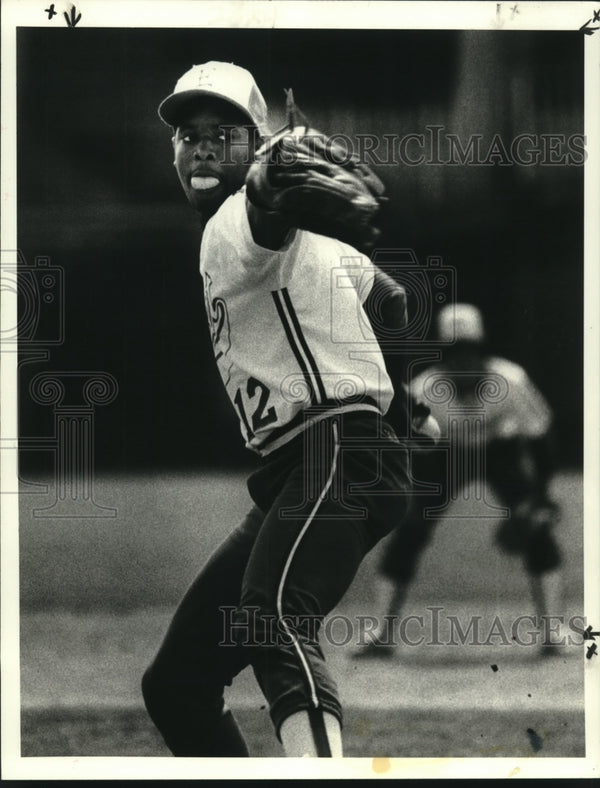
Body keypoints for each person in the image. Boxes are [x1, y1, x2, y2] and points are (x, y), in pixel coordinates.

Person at [141, 61, 433, 758]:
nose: (202, 146)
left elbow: (265, 201)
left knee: (273, 616)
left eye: (225, 132)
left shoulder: (236, 224)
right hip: (306, 469)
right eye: (188, 134)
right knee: (177, 686)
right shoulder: (316, 243)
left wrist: (272, 172)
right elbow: (390, 301)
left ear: (258, 141)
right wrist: (404, 416)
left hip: (332, 449)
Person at [353, 303, 564, 658]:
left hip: (499, 452)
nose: (463, 360)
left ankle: (551, 632)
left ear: (482, 350)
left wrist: (539, 496)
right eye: (455, 352)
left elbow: (541, 439)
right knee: (410, 531)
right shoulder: (424, 389)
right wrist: (406, 495)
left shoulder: (510, 380)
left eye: (470, 350)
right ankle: (383, 634)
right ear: (444, 355)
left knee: (536, 527)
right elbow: (401, 447)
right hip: (442, 457)